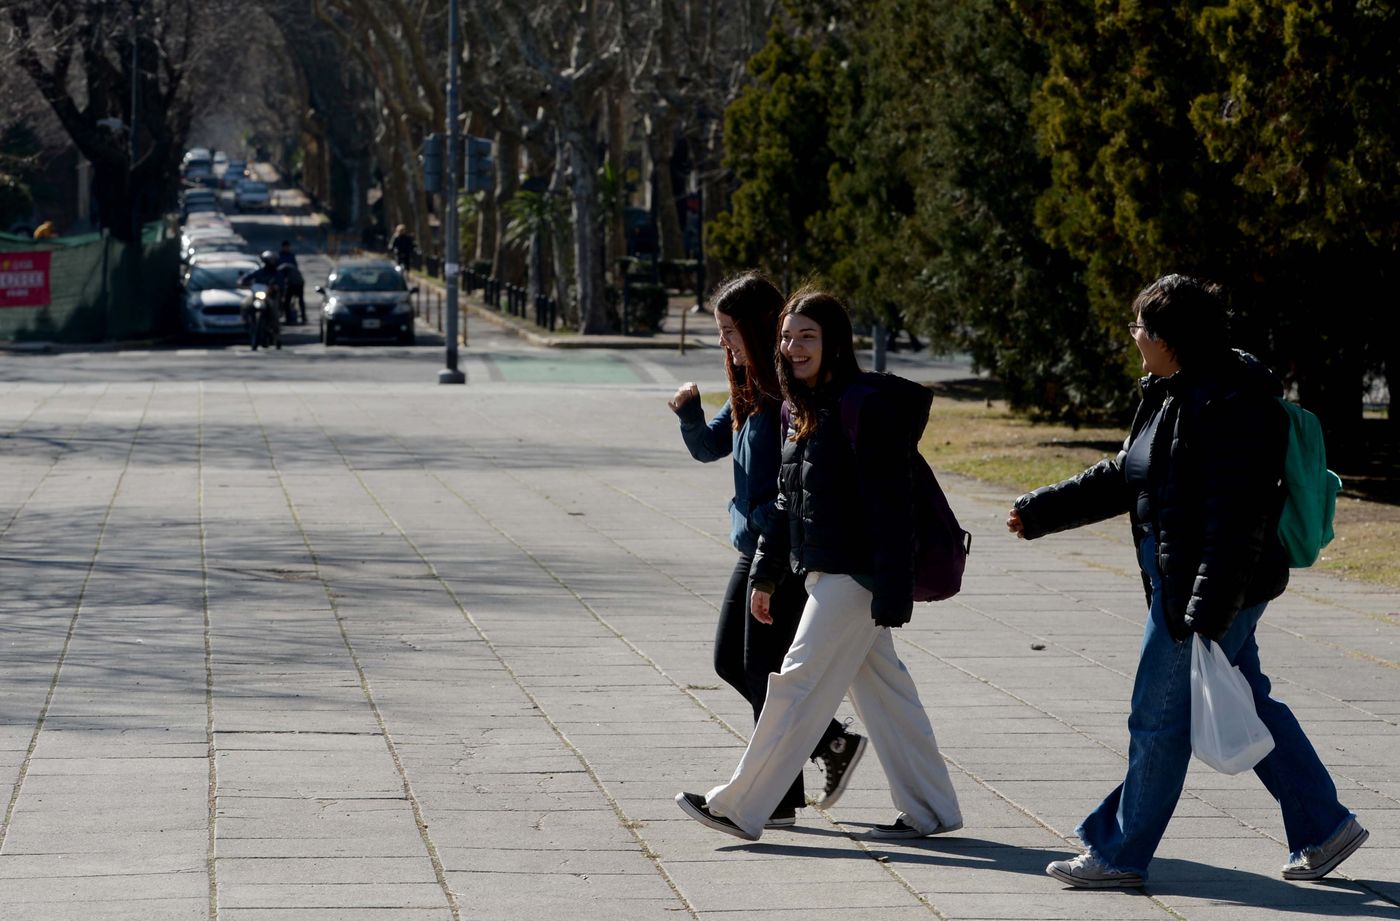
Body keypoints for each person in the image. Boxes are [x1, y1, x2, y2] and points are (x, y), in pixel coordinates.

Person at [1007, 273, 1367, 888]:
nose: (1133, 336)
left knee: (1158, 718)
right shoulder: (1173, 391)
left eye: (1140, 328)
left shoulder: (1232, 405)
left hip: (1201, 592)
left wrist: (1202, 613)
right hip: (1189, 585)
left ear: (1170, 338)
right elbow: (1130, 472)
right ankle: (1323, 825)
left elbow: (1235, 524)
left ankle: (1118, 852)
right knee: (1246, 702)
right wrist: (1043, 509)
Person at [675, 289, 963, 842]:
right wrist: (765, 573)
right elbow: (787, 501)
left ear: (834, 344)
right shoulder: (796, 406)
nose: (793, 346)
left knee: (796, 685)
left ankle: (740, 805)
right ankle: (931, 810)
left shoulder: (862, 405)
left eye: (807, 336)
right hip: (823, 570)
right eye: (787, 336)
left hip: (856, 576)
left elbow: (891, 505)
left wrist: (892, 590)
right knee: (887, 696)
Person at [669, 273, 866, 831]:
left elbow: (793, 482)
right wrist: (688, 412)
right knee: (740, 663)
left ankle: (780, 793)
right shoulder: (750, 387)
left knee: (758, 667)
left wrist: (764, 528)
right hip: (757, 545)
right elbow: (710, 445)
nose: (724, 342)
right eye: (719, 331)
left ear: (755, 328)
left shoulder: (785, 394)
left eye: (730, 331)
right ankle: (825, 747)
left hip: (778, 549)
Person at [237, 251, 285, 351]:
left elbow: (281, 285)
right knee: (245, 304)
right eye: (268, 261)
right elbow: (245, 278)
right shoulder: (258, 272)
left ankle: (277, 337)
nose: (270, 264)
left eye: (272, 261)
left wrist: (276, 287)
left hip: (270, 297)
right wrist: (242, 282)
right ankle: (245, 321)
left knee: (274, 314)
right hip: (256, 296)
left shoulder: (277, 274)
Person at [277, 241, 305, 325]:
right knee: (286, 302)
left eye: (288, 247)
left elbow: (295, 267)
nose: (287, 248)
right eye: (286, 247)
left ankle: (303, 317)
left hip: (295, 283)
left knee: (300, 301)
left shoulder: (291, 256)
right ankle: (288, 318)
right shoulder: (280, 256)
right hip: (285, 282)